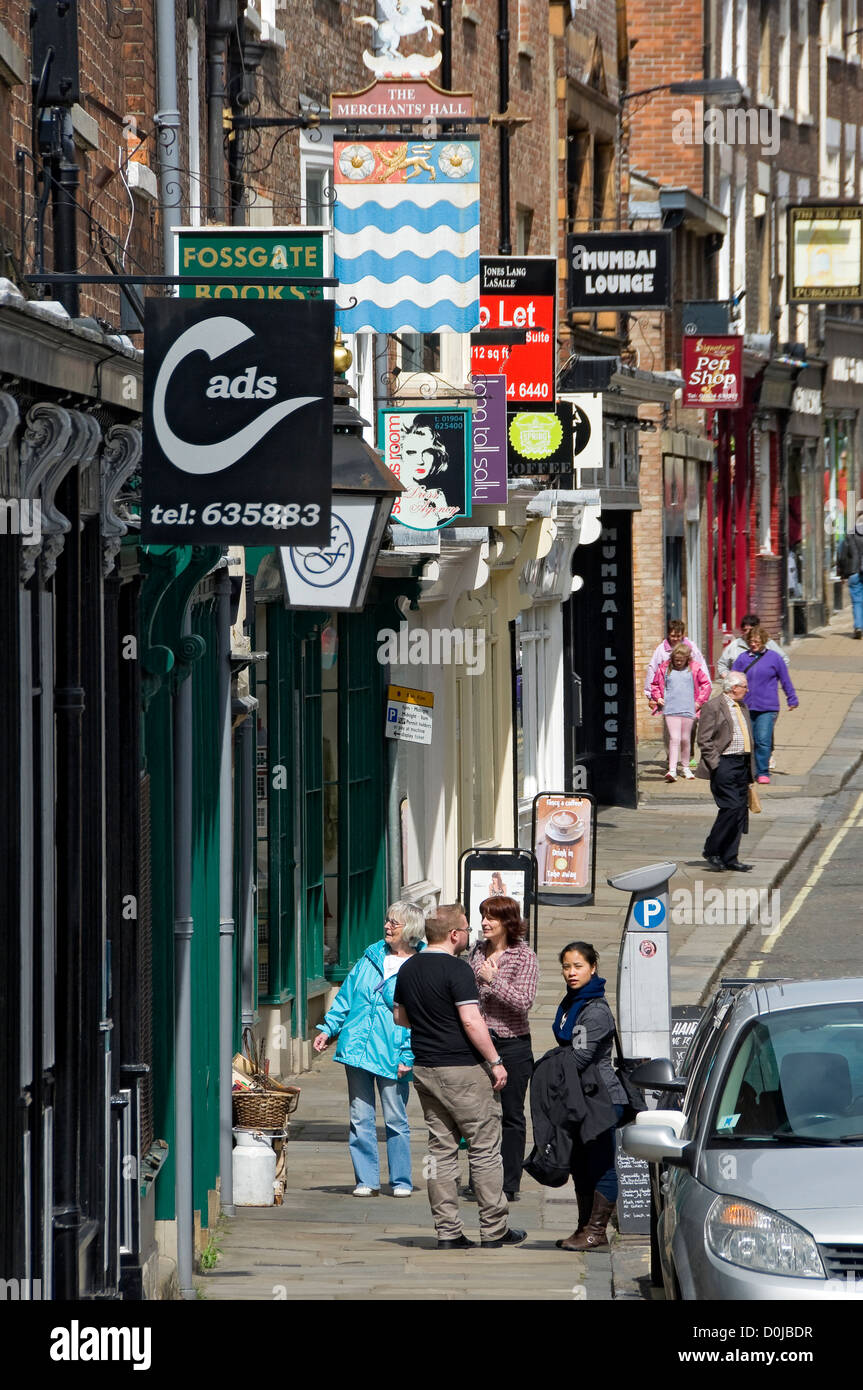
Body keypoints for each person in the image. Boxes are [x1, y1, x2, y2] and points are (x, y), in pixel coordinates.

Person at [393, 903, 526, 1250]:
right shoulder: (458, 970)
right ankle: (494, 1229)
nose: (470, 935)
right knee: (484, 1149)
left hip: (425, 1068)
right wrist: (495, 1060)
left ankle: (448, 1232)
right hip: (463, 1070)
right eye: (466, 930)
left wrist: (430, 1023)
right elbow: (471, 1020)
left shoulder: (408, 969)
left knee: (440, 1152)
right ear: (454, 935)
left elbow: (400, 1017)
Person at [313, 900, 425, 1197]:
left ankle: (401, 1181)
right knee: (359, 1116)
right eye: (387, 920)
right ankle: (367, 1180)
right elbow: (347, 997)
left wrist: (408, 1055)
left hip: (393, 1052)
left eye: (394, 923)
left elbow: (421, 1018)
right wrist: (328, 1028)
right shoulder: (370, 957)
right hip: (357, 1049)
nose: (387, 926)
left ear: (410, 929)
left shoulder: (421, 966)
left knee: (395, 1119)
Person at [552, 942, 627, 1251]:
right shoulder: (574, 1003)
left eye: (578, 966)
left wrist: (548, 1066)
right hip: (581, 1096)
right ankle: (585, 1228)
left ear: (593, 967)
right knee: (581, 1165)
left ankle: (596, 1231)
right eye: (567, 966)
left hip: (602, 1098)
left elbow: (580, 1058)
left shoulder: (595, 1010)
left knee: (601, 1164)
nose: (571, 972)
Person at [468, 897, 538, 1201]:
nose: (484, 922)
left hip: (513, 1045)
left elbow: (524, 1002)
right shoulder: (476, 952)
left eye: (491, 918)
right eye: (483, 916)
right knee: (478, 1115)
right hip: (478, 1044)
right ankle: (480, 1179)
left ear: (508, 922)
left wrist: (493, 980)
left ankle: (510, 1183)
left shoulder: (524, 957)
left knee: (511, 1115)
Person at [695, 672, 757, 872]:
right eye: (744, 686)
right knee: (730, 808)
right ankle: (711, 849)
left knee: (740, 812)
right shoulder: (713, 707)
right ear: (733, 687)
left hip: (742, 764)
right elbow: (704, 739)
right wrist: (716, 764)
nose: (747, 690)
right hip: (725, 764)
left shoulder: (743, 707)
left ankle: (730, 857)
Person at [731, 625, 798, 784]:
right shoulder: (742, 658)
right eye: (751, 641)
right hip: (746, 706)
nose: (753, 644)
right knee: (748, 741)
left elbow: (785, 680)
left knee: (762, 739)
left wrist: (792, 699)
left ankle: (762, 772)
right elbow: (732, 679)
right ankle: (749, 771)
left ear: (763, 641)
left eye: (756, 641)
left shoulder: (774, 658)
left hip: (767, 707)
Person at [644, 618, 708, 765]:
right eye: (673, 635)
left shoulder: (691, 647)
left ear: (682, 635)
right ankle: (670, 757)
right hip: (669, 697)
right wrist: (651, 695)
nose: (675, 639)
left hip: (689, 697)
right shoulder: (661, 650)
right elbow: (652, 671)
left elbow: (702, 668)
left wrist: (702, 697)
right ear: (668, 634)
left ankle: (689, 755)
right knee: (669, 730)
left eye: (678, 636)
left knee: (691, 726)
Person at [649, 642, 713, 782]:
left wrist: (698, 702)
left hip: (689, 708)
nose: (678, 662)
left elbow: (706, 685)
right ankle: (672, 770)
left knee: (685, 738)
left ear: (687, 658)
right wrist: (658, 697)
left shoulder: (694, 668)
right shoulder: (665, 667)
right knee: (674, 738)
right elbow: (654, 684)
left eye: (681, 660)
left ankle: (685, 767)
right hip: (671, 709)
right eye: (676, 659)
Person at [392, 416, 460, 530]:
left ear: (437, 455)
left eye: (427, 452)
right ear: (401, 454)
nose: (420, 461)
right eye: (411, 452)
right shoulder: (395, 496)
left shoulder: (440, 496)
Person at [717, 612, 789, 677]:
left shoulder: (767, 643)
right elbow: (722, 664)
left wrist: (774, 676)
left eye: (750, 630)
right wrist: (729, 679)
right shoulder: (735, 645)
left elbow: (784, 659)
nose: (748, 633)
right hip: (740, 688)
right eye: (745, 630)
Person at [837, 509, 863, 638]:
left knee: (857, 602)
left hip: (853, 572)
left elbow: (841, 554)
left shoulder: (850, 534)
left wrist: (841, 573)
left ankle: (858, 626)